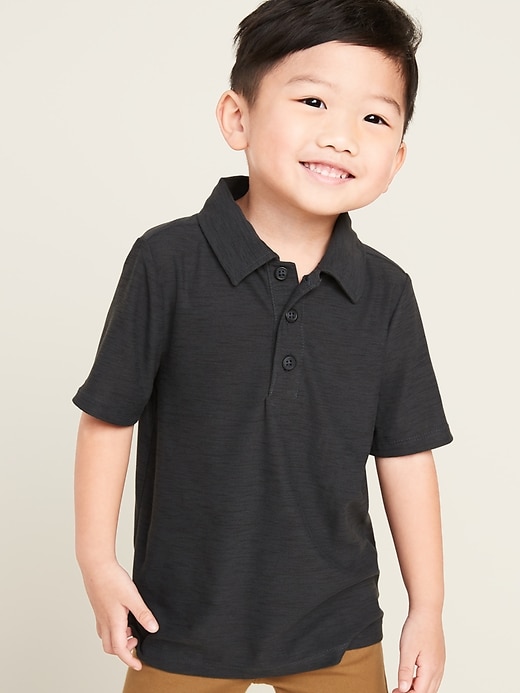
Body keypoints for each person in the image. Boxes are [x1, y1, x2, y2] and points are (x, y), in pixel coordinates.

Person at [73, 1, 453, 691]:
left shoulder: (386, 292)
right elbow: (109, 415)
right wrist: (98, 563)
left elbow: (406, 454)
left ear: (397, 158)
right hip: (178, 619)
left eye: (374, 118)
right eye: (313, 101)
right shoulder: (167, 262)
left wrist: (427, 608)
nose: (341, 137)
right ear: (237, 118)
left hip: (336, 626)